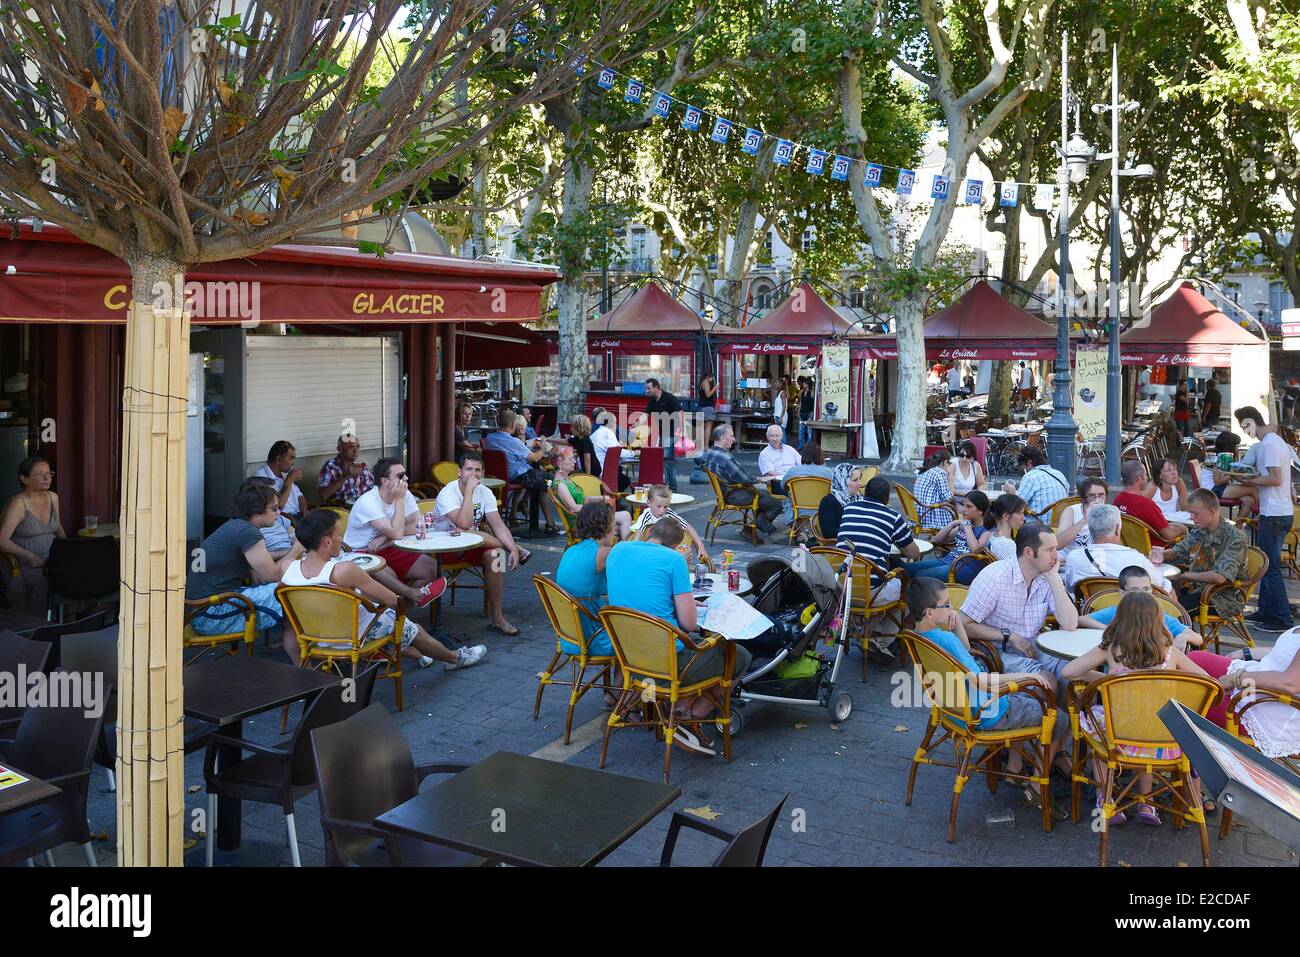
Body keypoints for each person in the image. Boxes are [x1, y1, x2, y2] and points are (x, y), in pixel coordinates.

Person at [1063, 591, 1210, 825]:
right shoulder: (1170, 651)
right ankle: (1147, 803)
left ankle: (1107, 797)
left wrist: (1104, 680)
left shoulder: (1111, 648)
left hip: (1119, 737)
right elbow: (1205, 680)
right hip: (1165, 740)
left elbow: (1068, 672)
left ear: (1120, 618)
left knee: (1098, 738)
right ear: (1157, 618)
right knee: (1148, 731)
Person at [606, 519, 752, 753]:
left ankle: (677, 705)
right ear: (675, 546)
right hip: (667, 662)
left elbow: (640, 592)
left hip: (629, 657)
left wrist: (672, 603)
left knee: (702, 651)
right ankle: (690, 715)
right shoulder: (673, 560)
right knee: (739, 656)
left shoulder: (618, 549)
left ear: (650, 532)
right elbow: (690, 623)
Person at [282, 509, 485, 671]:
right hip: (351, 639)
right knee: (406, 624)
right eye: (339, 535)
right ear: (327, 542)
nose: (342, 539)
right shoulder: (344, 571)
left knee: (385, 617)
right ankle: (454, 658)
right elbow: (392, 599)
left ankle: (416, 654)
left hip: (311, 638)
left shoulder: (287, 568)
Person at [909, 576, 1071, 776]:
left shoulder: (918, 636)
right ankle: (1037, 785)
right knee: (1059, 718)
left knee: (1027, 697)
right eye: (947, 605)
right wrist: (1025, 676)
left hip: (955, 710)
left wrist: (958, 622)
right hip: (987, 712)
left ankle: (1015, 766)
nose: (951, 609)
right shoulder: (946, 639)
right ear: (930, 613)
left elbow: (965, 650)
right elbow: (981, 681)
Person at [959, 524, 1078, 693]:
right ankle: (1054, 717)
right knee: (1047, 684)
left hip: (1033, 645)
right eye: (1050, 550)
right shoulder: (995, 577)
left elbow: (1070, 624)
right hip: (996, 650)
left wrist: (1054, 579)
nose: (1056, 556)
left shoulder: (1046, 576)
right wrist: (1009, 636)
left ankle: (1065, 717)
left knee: (1075, 671)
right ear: (1029, 552)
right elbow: (963, 625)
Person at [186, 483, 302, 652]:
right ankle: (306, 655)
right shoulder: (248, 532)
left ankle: (294, 652)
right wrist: (297, 548)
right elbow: (273, 576)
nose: (278, 513)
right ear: (256, 511)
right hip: (211, 616)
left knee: (286, 593)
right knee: (290, 591)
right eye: (274, 508)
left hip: (200, 610)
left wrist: (288, 552)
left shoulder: (236, 526)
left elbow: (261, 563)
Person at [433, 452, 532, 636]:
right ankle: (512, 548)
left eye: (477, 470)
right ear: (459, 472)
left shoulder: (485, 492)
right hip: (444, 548)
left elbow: (498, 524)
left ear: (483, 473)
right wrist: (469, 492)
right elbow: (462, 523)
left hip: (473, 544)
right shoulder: (447, 493)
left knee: (497, 556)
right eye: (469, 469)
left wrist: (509, 548)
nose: (473, 474)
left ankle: (498, 617)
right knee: (468, 531)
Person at [1219, 406, 1295, 631]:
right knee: (1267, 565)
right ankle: (1266, 612)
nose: (1244, 431)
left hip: (1275, 513)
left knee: (1269, 568)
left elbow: (1274, 478)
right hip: (1277, 512)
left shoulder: (1270, 444)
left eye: (1244, 426)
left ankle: (1281, 618)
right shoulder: (1271, 442)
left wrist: (1249, 481)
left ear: (1252, 421)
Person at [343, 458, 449, 608]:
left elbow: (419, 523)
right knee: (387, 574)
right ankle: (413, 595)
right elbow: (398, 533)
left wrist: (385, 538)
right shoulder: (368, 502)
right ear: (385, 481)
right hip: (361, 551)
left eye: (404, 474)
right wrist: (398, 500)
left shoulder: (405, 494)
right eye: (400, 476)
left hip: (389, 546)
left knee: (431, 568)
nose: (406, 478)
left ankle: (400, 617)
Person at [836, 476, 921, 659]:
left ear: (865, 494)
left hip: (842, 587)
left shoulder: (848, 509)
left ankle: (871, 633)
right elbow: (914, 554)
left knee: (884, 581)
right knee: (907, 588)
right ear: (887, 499)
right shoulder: (892, 517)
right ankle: (882, 637)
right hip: (870, 593)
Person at [1188, 625, 1300, 760]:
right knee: (1194, 660)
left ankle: (1188, 769)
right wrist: (1247, 653)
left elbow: (1290, 683)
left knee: (1186, 694)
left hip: (1267, 712)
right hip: (1259, 682)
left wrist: (1237, 678)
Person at [1163, 487, 1247, 624]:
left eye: (1195, 513)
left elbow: (1219, 577)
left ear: (1212, 511)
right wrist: (1156, 555)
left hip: (1221, 597)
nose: (1191, 517)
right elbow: (1177, 552)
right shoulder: (1199, 531)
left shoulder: (1235, 538)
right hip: (1194, 589)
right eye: (1190, 513)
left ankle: (1185, 642)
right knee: (1159, 600)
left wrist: (1184, 576)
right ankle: (1185, 640)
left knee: (1170, 612)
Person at [1078, 564, 1204, 651]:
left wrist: (1183, 636)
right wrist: (1109, 630)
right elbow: (1081, 620)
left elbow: (1198, 638)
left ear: (1151, 591)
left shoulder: (1159, 616)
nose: (1141, 595)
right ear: (1122, 593)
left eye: (1145, 589)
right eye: (1134, 590)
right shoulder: (1115, 612)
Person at [555, 500, 618, 665]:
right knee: (638, 637)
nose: (615, 529)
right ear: (604, 527)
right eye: (613, 524)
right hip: (592, 638)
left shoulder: (571, 550)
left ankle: (616, 689)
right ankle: (618, 690)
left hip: (569, 636)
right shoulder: (603, 554)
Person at [0, 456, 66, 613]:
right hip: (25, 562)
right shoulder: (18, 503)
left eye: (49, 473)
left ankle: (72, 619)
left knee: (82, 571)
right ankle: (40, 625)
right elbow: (2, 540)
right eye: (39, 474)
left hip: (52, 557)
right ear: (24, 479)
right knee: (43, 581)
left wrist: (67, 547)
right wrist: (31, 556)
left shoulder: (53, 497)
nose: (46, 477)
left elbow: (57, 526)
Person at [699, 423, 784, 538]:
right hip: (735, 494)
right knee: (776, 504)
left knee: (764, 495)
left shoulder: (708, 453)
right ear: (723, 438)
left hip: (724, 492)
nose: (734, 439)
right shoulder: (726, 458)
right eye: (732, 436)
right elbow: (746, 479)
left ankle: (749, 530)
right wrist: (762, 479)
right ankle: (758, 526)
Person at [485, 408, 561, 533]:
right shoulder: (513, 441)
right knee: (551, 480)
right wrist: (542, 448)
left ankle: (543, 519)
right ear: (513, 424)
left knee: (542, 482)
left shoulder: (490, 438)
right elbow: (535, 457)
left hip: (503, 476)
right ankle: (550, 523)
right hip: (520, 475)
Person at [1062, 504, 1169, 593]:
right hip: (1128, 616)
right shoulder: (1136, 559)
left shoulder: (1074, 557)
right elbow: (1165, 589)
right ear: (1118, 529)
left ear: (1090, 529)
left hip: (1090, 614)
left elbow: (1071, 590)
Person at [906, 490, 991, 582]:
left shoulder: (987, 530)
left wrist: (967, 526)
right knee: (906, 569)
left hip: (963, 569)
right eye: (963, 505)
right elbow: (937, 540)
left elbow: (975, 549)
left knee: (918, 576)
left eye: (969, 506)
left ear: (981, 511)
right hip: (948, 561)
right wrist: (952, 524)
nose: (963, 509)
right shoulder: (965, 524)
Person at [552, 445, 631, 539]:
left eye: (573, 458)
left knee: (623, 524)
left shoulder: (565, 480)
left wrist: (602, 498)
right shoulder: (561, 485)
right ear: (560, 463)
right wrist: (597, 508)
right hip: (581, 524)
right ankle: (625, 550)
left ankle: (622, 549)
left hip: (584, 518)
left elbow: (583, 499)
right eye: (570, 459)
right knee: (625, 517)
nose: (574, 461)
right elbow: (573, 508)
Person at [628, 484, 708, 563]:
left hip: (666, 549)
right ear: (649, 503)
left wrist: (701, 547)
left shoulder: (669, 512)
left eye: (665, 507)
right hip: (651, 553)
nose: (662, 511)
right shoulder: (646, 515)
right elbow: (638, 535)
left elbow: (688, 527)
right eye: (658, 506)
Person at [1114, 459, 1187, 542]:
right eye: (1145, 474)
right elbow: (1168, 534)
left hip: (1130, 545)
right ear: (1139, 480)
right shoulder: (1146, 505)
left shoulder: (1118, 500)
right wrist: (1182, 529)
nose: (1147, 478)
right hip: (1155, 550)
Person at [1189, 431, 1257, 514]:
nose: (1237, 448)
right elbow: (1217, 481)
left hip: (1217, 487)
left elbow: (1231, 475)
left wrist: (1246, 480)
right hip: (1211, 489)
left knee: (1249, 500)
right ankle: (1264, 515)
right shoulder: (1217, 458)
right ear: (1231, 446)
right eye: (1237, 445)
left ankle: (1237, 525)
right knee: (1254, 489)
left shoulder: (1222, 456)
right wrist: (1233, 474)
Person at [644, 377, 686, 492]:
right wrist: (637, 424)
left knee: (668, 461)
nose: (646, 391)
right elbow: (646, 413)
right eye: (646, 389)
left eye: (649, 388)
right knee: (666, 461)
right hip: (663, 433)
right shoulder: (653, 400)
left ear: (656, 387)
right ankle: (670, 486)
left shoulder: (669, 398)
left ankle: (672, 487)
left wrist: (681, 432)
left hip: (671, 433)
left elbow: (680, 413)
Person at [241, 476, 299, 558]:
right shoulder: (249, 527)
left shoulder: (279, 518)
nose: (275, 495)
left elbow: (297, 535)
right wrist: (292, 551)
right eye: (271, 492)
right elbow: (258, 557)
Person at [1002, 446, 1069, 515]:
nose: (1025, 470)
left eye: (1024, 467)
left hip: (1039, 523)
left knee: (1007, 517)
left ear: (1029, 462)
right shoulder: (1059, 474)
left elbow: (1017, 506)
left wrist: (1011, 493)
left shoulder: (1030, 477)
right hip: (1061, 522)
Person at [318, 434, 376, 506]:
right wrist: (345, 476)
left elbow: (373, 488)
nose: (355, 451)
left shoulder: (361, 465)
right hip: (341, 509)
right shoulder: (330, 466)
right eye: (350, 447)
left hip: (362, 506)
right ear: (339, 449)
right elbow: (324, 495)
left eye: (357, 447)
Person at [1055, 478, 1108, 555]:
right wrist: (1085, 519)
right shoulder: (1072, 511)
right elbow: (1059, 544)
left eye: (1101, 495)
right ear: (1084, 498)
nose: (1097, 499)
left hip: (1094, 561)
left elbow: (1112, 546)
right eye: (1092, 496)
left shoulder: (1110, 513)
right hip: (1068, 559)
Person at [254, 440, 305, 517]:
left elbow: (300, 496)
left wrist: (304, 510)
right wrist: (289, 479)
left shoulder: (285, 473)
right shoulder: (260, 477)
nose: (293, 462)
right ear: (278, 459)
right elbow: (278, 505)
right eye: (291, 458)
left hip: (299, 517)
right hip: (284, 520)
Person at [818, 462, 864, 540]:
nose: (860, 483)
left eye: (860, 479)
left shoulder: (860, 498)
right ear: (842, 481)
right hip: (842, 545)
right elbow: (828, 532)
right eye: (855, 480)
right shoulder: (829, 502)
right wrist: (856, 532)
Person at [589, 408, 630, 491]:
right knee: (625, 480)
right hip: (601, 474)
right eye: (615, 423)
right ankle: (612, 499)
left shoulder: (598, 431)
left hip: (593, 471)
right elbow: (619, 453)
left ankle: (613, 500)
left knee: (619, 472)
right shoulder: (607, 433)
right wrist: (634, 453)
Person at [912, 449, 953, 529]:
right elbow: (947, 498)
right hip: (929, 514)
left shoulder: (924, 472)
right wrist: (950, 482)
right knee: (954, 512)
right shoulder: (939, 473)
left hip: (917, 513)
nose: (949, 466)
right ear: (945, 462)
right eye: (949, 463)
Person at [1142, 457, 1191, 523]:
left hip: (1172, 523)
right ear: (1159, 475)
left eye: (1174, 469)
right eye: (1168, 470)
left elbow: (1186, 508)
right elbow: (1138, 505)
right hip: (1155, 524)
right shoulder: (1153, 487)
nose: (1174, 473)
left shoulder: (1179, 483)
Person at [757, 423, 801, 494]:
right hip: (779, 484)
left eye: (777, 436)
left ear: (782, 436)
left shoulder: (790, 449)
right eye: (772, 436)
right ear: (767, 437)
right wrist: (790, 476)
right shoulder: (764, 454)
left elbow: (802, 464)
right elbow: (771, 473)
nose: (774, 439)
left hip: (795, 481)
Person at [986, 493, 1028, 561]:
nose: (1024, 518)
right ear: (1006, 516)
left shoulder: (992, 535)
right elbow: (1014, 570)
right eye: (1020, 513)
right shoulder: (1008, 545)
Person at [797, 376, 815, 448]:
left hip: (809, 413)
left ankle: (808, 446)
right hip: (802, 412)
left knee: (809, 431)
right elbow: (801, 402)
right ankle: (800, 445)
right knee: (801, 431)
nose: (803, 384)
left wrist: (812, 412)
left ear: (808, 384)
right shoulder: (802, 392)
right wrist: (798, 411)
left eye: (804, 383)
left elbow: (814, 404)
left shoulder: (812, 392)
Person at [770, 376, 788, 445]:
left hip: (780, 415)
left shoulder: (782, 393)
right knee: (779, 432)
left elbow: (784, 406)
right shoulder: (779, 393)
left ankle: (784, 447)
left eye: (776, 382)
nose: (775, 384)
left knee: (781, 432)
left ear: (780, 384)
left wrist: (781, 417)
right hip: (777, 415)